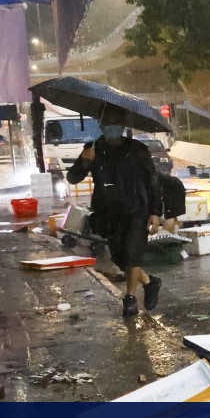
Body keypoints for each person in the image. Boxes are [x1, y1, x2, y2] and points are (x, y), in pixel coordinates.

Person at [66, 111, 163, 316]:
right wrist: (83, 162)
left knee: (133, 254)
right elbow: (73, 178)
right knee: (120, 257)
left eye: (116, 121)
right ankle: (149, 282)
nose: (113, 126)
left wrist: (155, 212)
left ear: (123, 125)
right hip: (108, 213)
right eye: (108, 122)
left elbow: (153, 182)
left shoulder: (138, 150)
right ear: (101, 125)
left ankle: (130, 299)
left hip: (136, 210)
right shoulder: (93, 148)